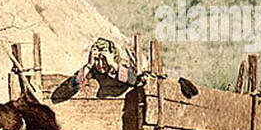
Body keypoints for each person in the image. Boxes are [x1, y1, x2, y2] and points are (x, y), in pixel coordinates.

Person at [51, 36, 198, 102]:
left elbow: (134, 80)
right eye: (97, 60)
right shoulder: (92, 72)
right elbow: (72, 86)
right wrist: (89, 65)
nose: (100, 65)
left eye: (104, 60)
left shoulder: (122, 66)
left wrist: (113, 65)